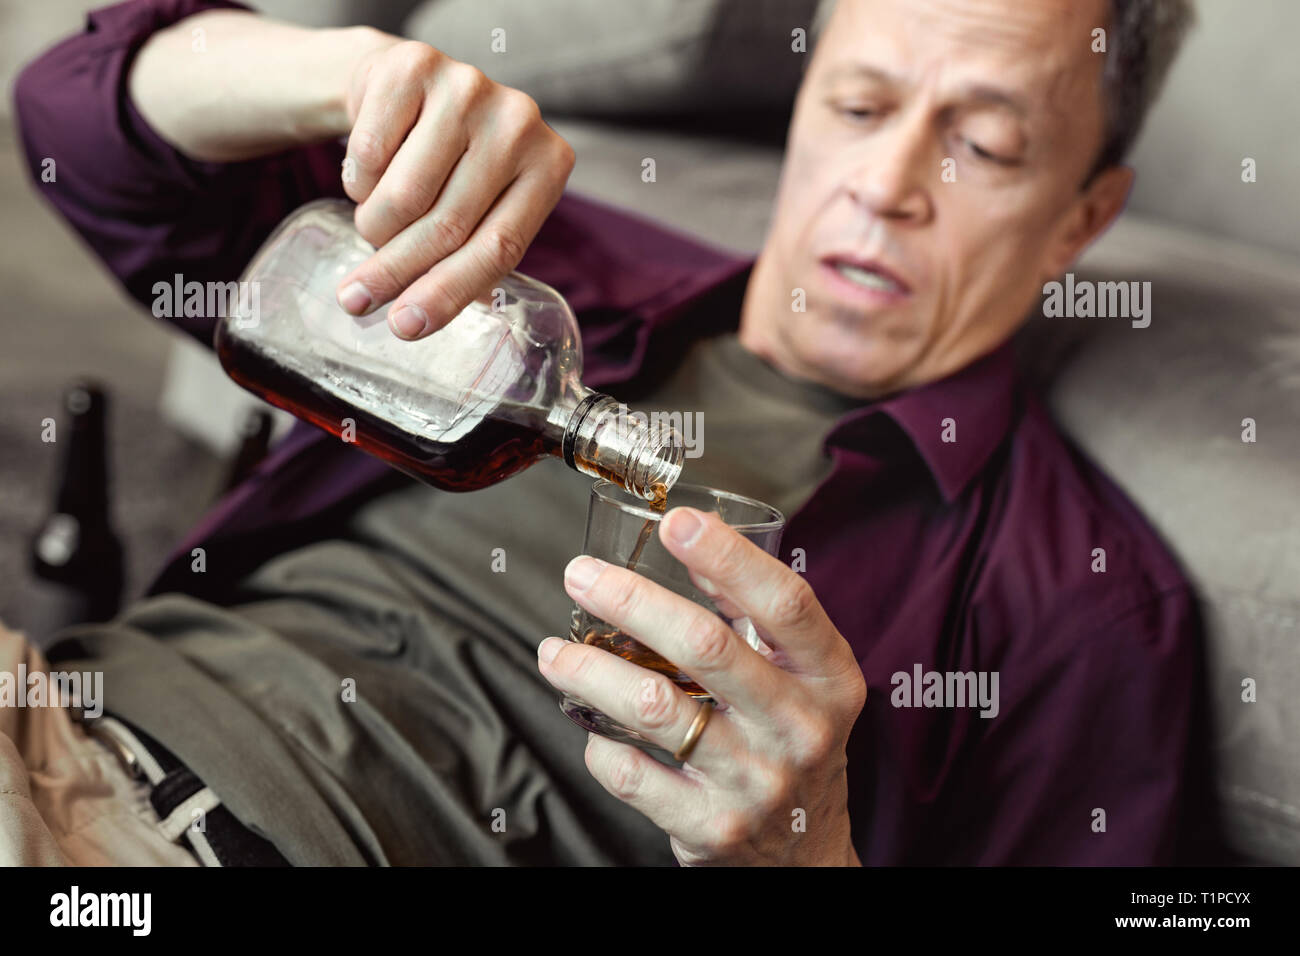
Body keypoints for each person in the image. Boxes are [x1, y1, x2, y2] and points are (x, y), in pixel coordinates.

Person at [6, 0, 1221, 865]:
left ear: (1081, 217)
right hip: (53, 705)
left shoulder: (1083, 604)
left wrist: (800, 861)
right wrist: (351, 71)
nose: (887, 182)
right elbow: (79, 135)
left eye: (985, 144)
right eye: (859, 103)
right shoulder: (549, 262)